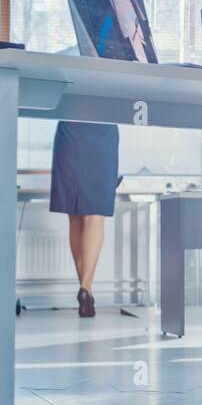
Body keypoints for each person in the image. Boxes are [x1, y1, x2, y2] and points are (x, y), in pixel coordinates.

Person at [50, 120, 121, 318]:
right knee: (95, 216)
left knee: (75, 217)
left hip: (70, 134)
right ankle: (85, 289)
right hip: (102, 134)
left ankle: (86, 290)